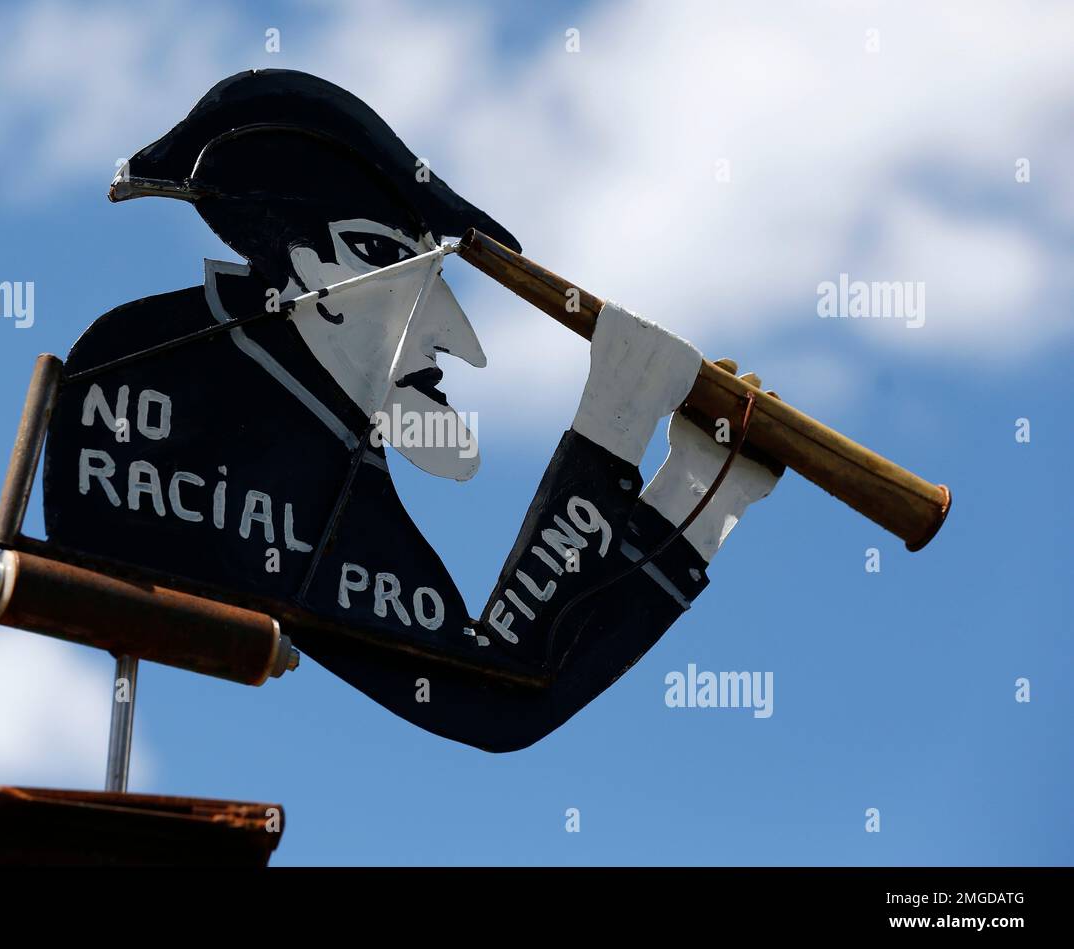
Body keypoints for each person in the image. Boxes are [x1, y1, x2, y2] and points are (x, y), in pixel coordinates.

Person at [42, 70, 780, 751]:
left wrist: (701, 488)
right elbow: (498, 695)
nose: (459, 339)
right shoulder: (194, 380)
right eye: (387, 260)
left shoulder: (333, 461)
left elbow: (504, 688)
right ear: (308, 273)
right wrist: (611, 434)